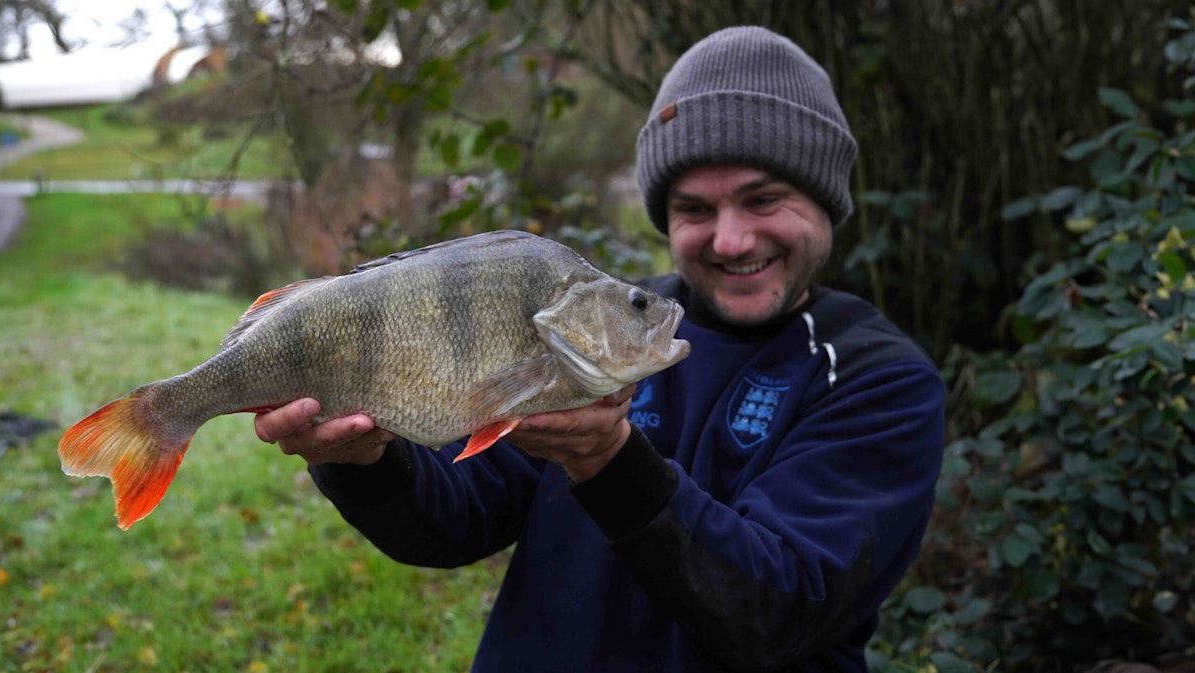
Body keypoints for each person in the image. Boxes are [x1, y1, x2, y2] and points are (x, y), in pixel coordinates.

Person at [255, 25, 945, 672]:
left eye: (763, 200)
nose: (731, 239)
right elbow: (450, 524)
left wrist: (606, 460)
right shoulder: (596, 325)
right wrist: (362, 460)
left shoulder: (879, 381)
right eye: (695, 210)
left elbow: (776, 612)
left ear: (824, 201)